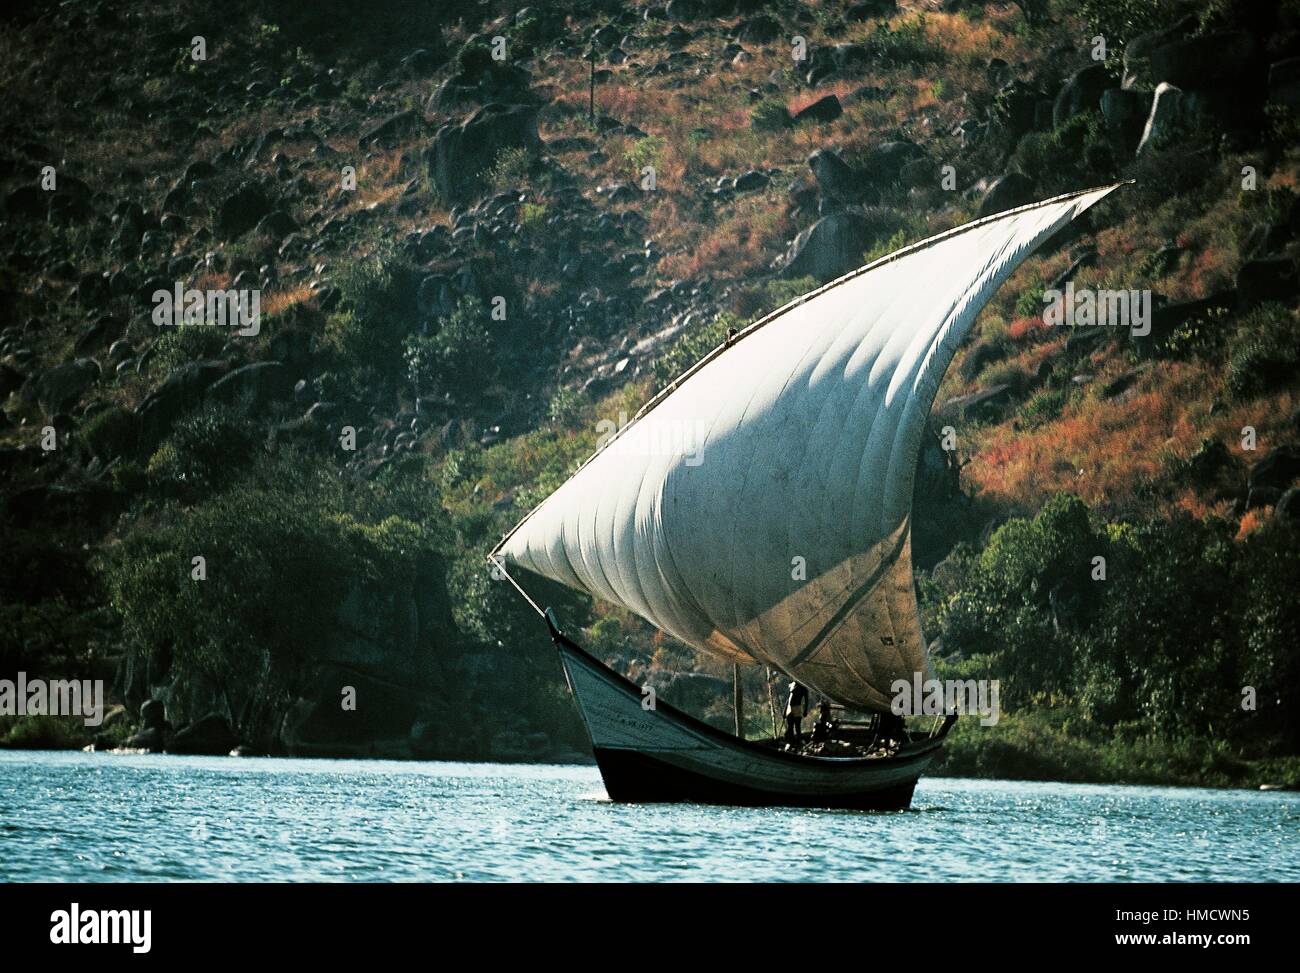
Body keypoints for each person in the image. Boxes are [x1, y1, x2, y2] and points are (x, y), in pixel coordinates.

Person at [784, 681, 808, 747]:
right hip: (789, 708)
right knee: (790, 726)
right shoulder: (792, 685)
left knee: (797, 726)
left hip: (797, 708)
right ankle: (790, 742)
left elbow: (806, 700)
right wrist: (785, 710)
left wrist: (805, 710)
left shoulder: (804, 687)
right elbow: (788, 699)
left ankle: (799, 741)